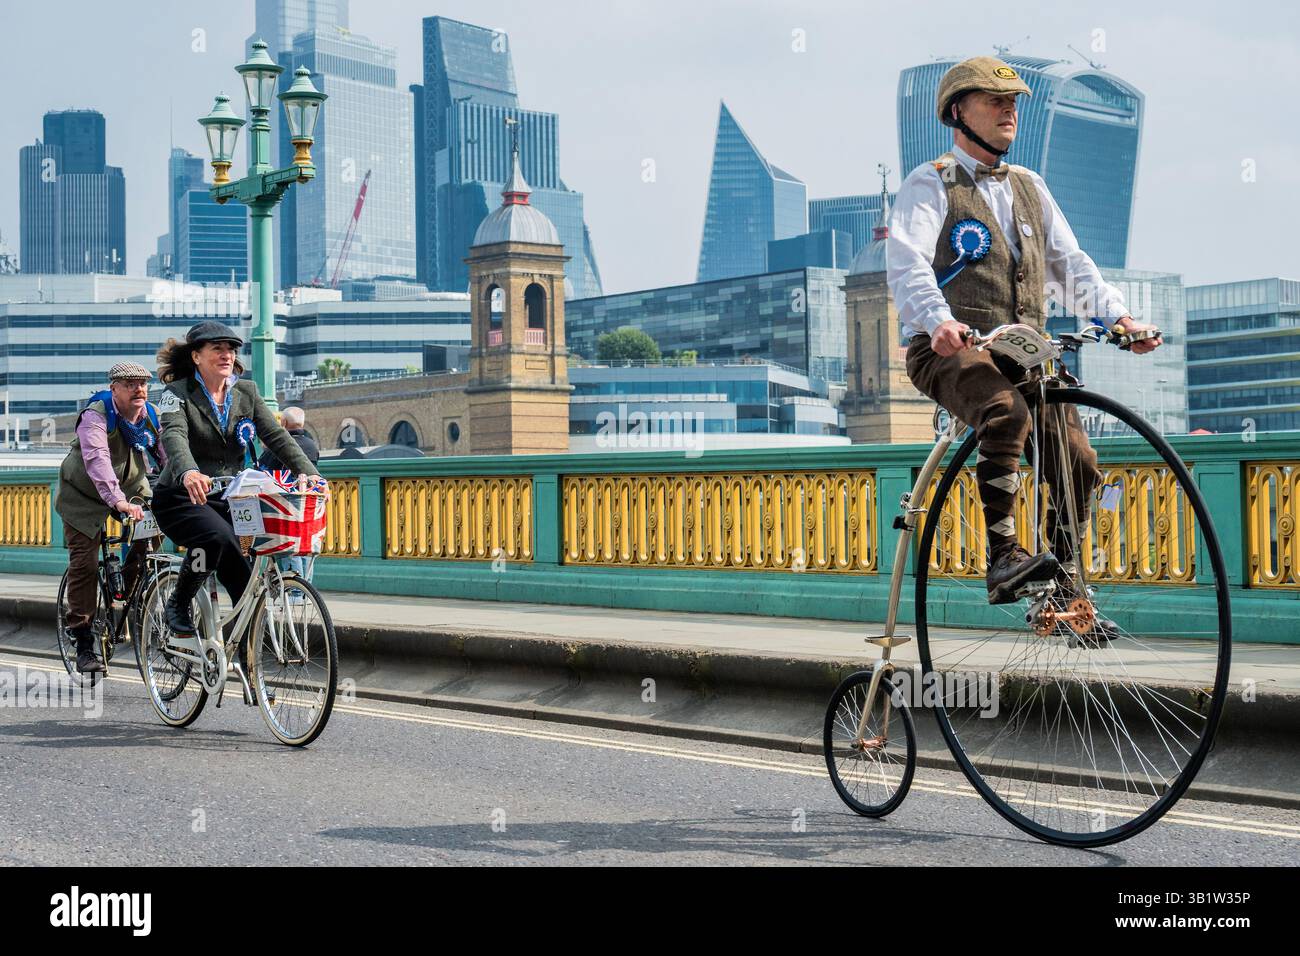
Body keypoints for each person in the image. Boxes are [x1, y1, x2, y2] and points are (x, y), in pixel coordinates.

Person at [887, 56, 1163, 606]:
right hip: (950, 349)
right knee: (1004, 412)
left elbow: (1070, 266)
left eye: (1013, 102)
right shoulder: (931, 183)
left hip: (1027, 353)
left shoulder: (1030, 187)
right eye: (995, 100)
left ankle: (1062, 586)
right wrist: (939, 321)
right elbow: (907, 262)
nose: (1009, 110)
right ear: (958, 111)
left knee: (1079, 465)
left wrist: (1119, 318)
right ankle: (1004, 558)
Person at [151, 321, 325, 635]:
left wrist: (310, 474)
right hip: (181, 496)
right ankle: (178, 602)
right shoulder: (175, 393)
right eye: (217, 348)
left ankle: (246, 656)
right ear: (196, 356)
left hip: (229, 497)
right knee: (215, 538)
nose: (226, 354)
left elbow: (277, 437)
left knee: (246, 581)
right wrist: (189, 471)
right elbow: (173, 435)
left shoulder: (246, 392)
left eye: (231, 349)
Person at [53, 363, 166, 672]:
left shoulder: (150, 415)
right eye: (130, 384)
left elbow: (167, 456)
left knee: (153, 536)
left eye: (143, 383)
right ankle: (84, 639)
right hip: (83, 496)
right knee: (85, 564)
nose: (139, 389)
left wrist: (186, 484)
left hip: (131, 489)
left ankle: (126, 594)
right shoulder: (95, 414)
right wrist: (117, 501)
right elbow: (97, 459)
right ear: (114, 388)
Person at [258, 405, 320, 585]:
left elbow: (262, 472)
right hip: (309, 504)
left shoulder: (278, 447)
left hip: (283, 505)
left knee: (286, 546)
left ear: (283, 423)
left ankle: (293, 589)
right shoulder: (311, 445)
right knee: (305, 545)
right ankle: (305, 587)